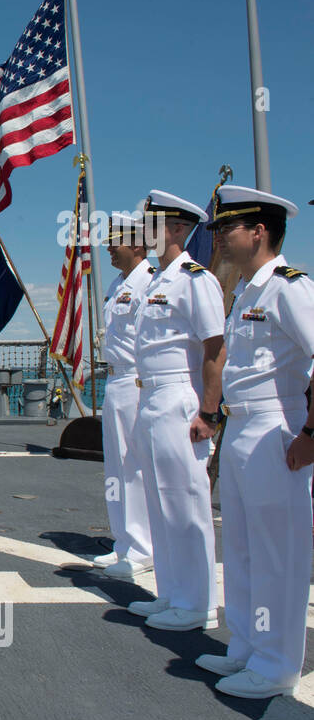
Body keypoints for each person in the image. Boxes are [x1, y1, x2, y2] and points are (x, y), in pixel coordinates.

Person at [193, 186, 312, 699]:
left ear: (259, 231)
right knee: (240, 547)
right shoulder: (244, 291)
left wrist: (311, 434)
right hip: (242, 427)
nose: (219, 236)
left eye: (228, 228)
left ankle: (277, 664)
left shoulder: (290, 287)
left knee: (276, 553)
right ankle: (245, 645)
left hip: (277, 428)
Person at [125, 191, 225, 631]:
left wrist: (209, 411)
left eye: (151, 223)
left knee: (186, 501)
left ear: (179, 229)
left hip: (178, 399)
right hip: (151, 398)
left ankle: (198, 602)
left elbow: (214, 347)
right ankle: (171, 593)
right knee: (159, 499)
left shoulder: (194, 279)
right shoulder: (156, 281)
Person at [91, 212, 156, 578]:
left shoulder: (149, 283)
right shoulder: (118, 285)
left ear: (136, 244)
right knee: (116, 468)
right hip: (114, 382)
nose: (109, 249)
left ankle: (143, 548)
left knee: (136, 467)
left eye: (114, 242)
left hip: (135, 382)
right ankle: (123, 543)